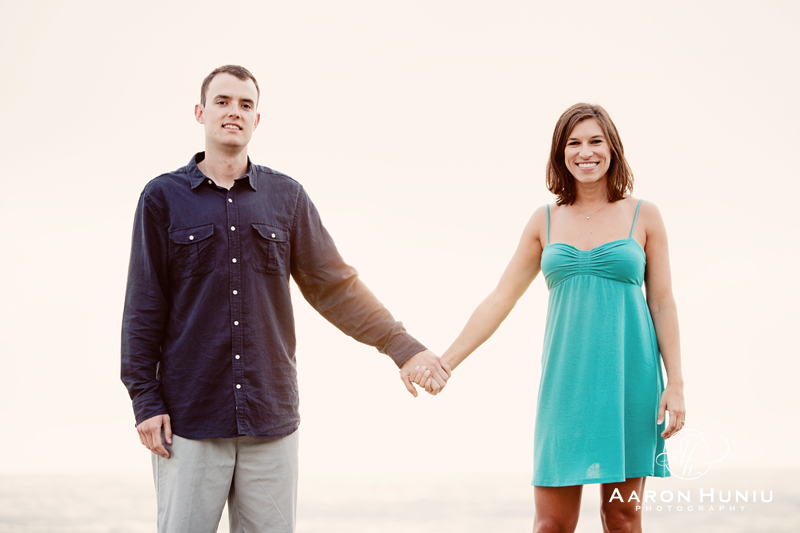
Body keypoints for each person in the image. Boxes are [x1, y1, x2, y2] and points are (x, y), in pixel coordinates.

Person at [120, 64, 451, 533]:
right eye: (223, 101)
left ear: (258, 119)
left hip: (270, 418)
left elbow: (335, 286)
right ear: (200, 112)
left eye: (245, 104)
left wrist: (402, 346)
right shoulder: (162, 198)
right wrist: (145, 400)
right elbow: (143, 306)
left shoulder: (286, 198)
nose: (234, 112)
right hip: (189, 418)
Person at [412, 103, 685, 532]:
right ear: (560, 154)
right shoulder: (544, 221)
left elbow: (663, 302)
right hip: (566, 387)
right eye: (573, 143)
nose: (585, 152)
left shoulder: (644, 215)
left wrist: (677, 384)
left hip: (630, 382)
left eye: (595, 141)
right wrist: (447, 361)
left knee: (623, 517)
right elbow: (500, 298)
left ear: (612, 147)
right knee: (551, 524)